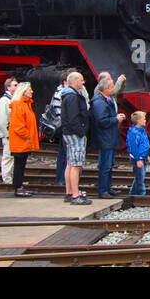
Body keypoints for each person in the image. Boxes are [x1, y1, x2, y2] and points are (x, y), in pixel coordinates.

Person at [90, 77, 125, 199]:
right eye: (111, 87)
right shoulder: (99, 102)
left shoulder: (105, 99)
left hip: (108, 137)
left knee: (109, 164)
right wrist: (116, 119)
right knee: (105, 165)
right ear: (105, 89)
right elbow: (102, 121)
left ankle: (107, 188)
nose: (113, 90)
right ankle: (103, 189)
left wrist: (115, 117)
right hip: (105, 138)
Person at [61, 72, 92, 205]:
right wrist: (81, 131)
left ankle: (69, 192)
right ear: (74, 81)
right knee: (76, 165)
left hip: (69, 133)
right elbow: (73, 117)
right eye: (81, 80)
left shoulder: (67, 95)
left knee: (70, 163)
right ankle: (75, 195)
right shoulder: (73, 97)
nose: (83, 82)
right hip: (75, 134)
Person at [8, 82, 40, 197]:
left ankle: (19, 186)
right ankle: (18, 188)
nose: (32, 91)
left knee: (20, 165)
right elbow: (18, 126)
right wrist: (28, 137)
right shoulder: (19, 104)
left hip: (22, 141)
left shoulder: (25, 104)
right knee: (19, 165)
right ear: (23, 91)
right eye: (29, 89)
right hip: (20, 142)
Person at [0, 77, 18, 187]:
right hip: (9, 134)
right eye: (14, 85)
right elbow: (1, 120)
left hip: (13, 134)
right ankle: (7, 179)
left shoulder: (12, 99)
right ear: (8, 87)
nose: (16, 87)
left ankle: (11, 178)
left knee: (12, 157)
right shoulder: (4, 101)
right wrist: (6, 133)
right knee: (8, 157)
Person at [125, 111, 150, 197]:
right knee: (140, 177)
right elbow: (134, 147)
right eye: (144, 119)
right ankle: (141, 194)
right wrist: (137, 159)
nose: (145, 120)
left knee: (139, 176)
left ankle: (132, 193)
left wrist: (146, 155)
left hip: (142, 156)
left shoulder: (142, 131)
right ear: (139, 121)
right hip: (137, 157)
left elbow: (144, 145)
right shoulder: (133, 132)